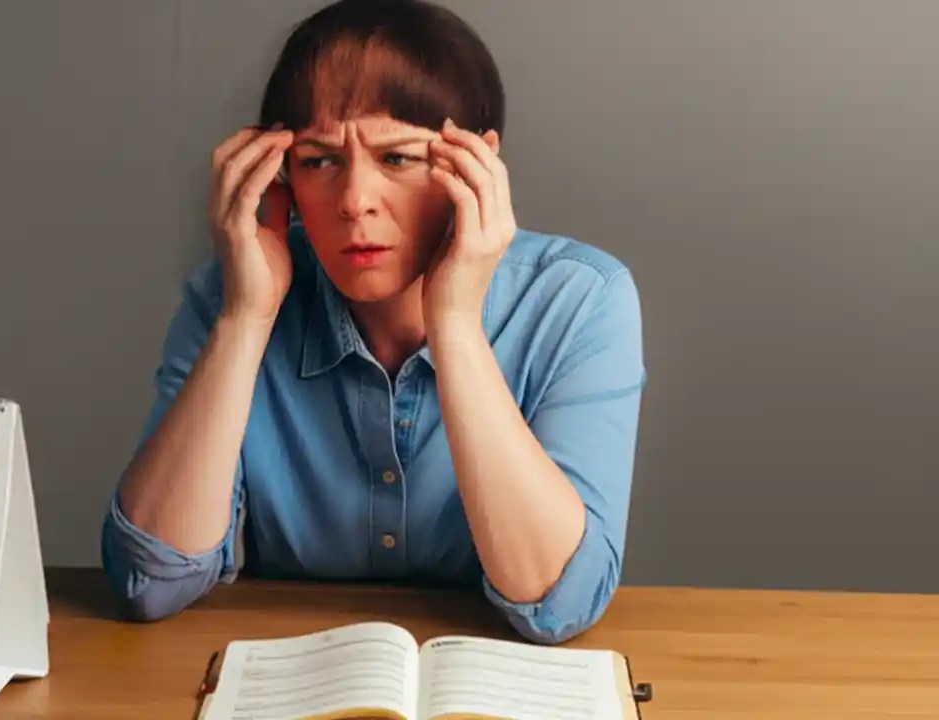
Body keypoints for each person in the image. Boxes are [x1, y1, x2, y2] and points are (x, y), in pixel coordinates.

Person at [100, 0, 646, 645]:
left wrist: (456, 322)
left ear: (478, 164)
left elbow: (560, 601)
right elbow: (150, 581)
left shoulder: (579, 299)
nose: (355, 202)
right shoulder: (233, 294)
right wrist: (246, 318)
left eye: (398, 159)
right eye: (319, 160)